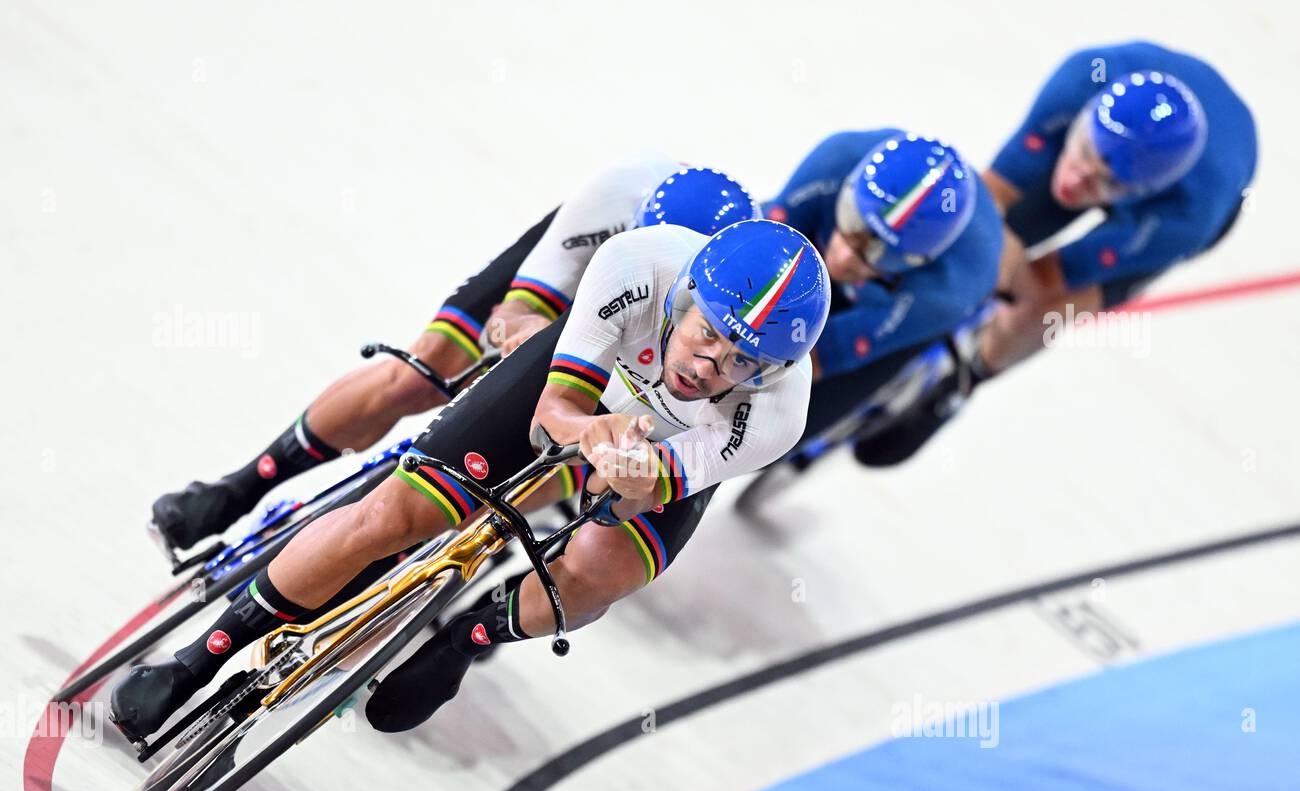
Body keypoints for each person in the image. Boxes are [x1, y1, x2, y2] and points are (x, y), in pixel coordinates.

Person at [111, 218, 832, 740]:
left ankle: (467, 636)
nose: (710, 365)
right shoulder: (638, 264)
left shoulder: (778, 409)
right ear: (685, 298)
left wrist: (629, 471)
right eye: (708, 330)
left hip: (659, 452)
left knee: (600, 569)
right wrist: (593, 435)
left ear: (768, 370)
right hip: (582, 395)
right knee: (385, 519)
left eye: (740, 360)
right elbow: (553, 413)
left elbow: (646, 490)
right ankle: (193, 662)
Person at [150, 156, 762, 551]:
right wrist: (522, 348)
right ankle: (239, 488)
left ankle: (413, 587)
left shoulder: (732, 305)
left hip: (657, 355)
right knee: (419, 372)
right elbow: (514, 315)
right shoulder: (612, 199)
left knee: (555, 470)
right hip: (574, 297)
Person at [868, 41, 1256, 458]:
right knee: (978, 228)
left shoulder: (1183, 217)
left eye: (1105, 184)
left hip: (1194, 205)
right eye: (1083, 153)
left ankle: (968, 381)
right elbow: (989, 199)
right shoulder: (1081, 78)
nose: (1074, 183)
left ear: (1141, 192)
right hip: (1129, 137)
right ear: (1087, 116)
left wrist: (1019, 284)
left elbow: (1048, 280)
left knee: (1052, 306)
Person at [766, 130, 1002, 465]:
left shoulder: (949, 287)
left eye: (876, 252)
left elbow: (818, 359)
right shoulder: (835, 159)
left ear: (914, 261)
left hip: (903, 301)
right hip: (836, 227)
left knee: (778, 433)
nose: (845, 256)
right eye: (851, 223)